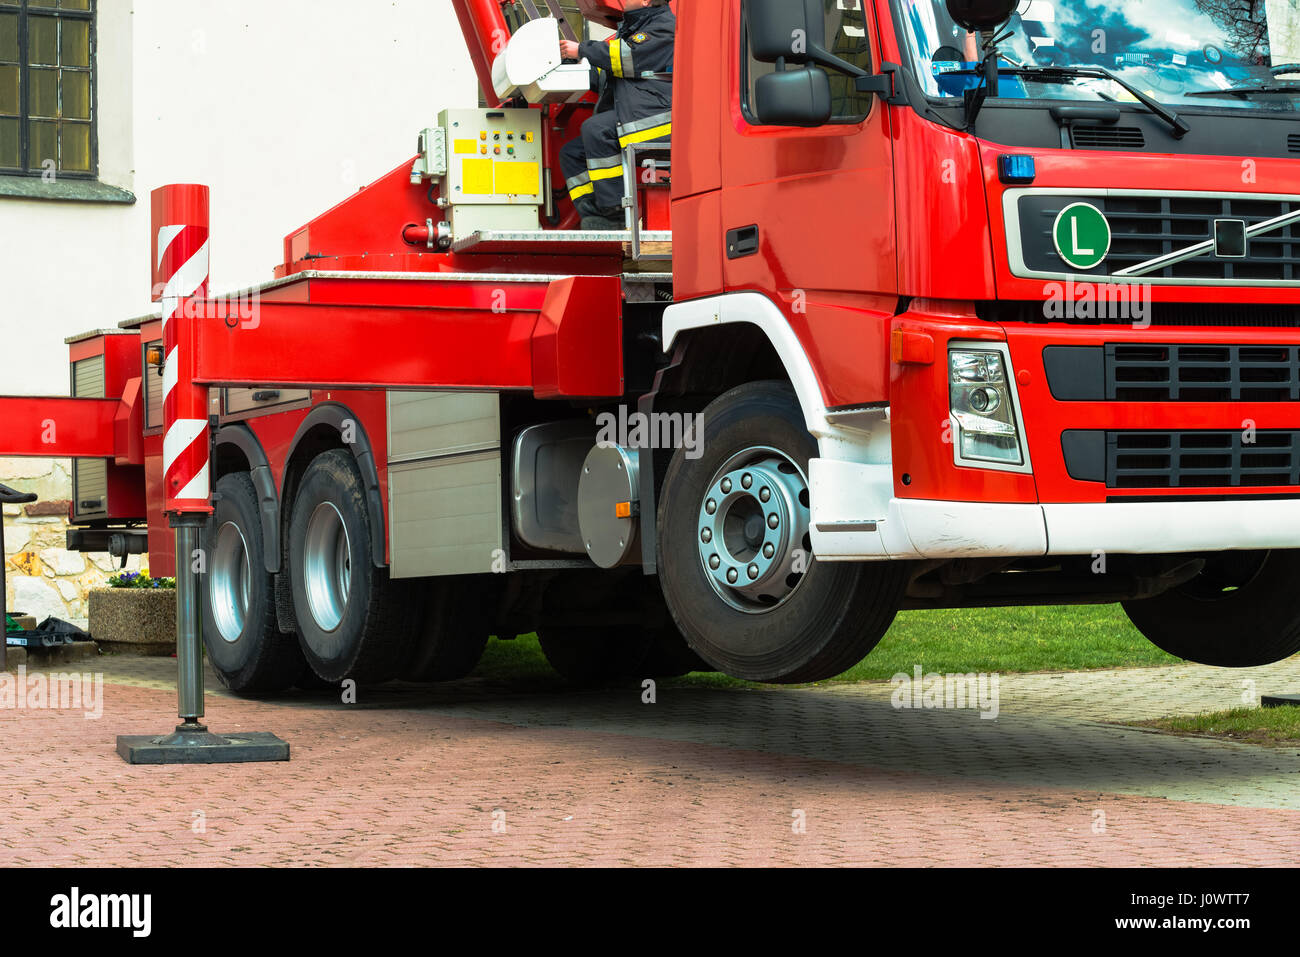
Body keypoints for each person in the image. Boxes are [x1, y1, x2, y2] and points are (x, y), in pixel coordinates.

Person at [558, 0, 675, 229]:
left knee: (596, 129)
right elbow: (606, 76)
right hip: (638, 112)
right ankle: (596, 214)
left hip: (659, 118)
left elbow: (625, 58)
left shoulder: (664, 26)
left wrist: (581, 49)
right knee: (571, 153)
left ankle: (616, 213)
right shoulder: (634, 29)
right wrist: (571, 66)